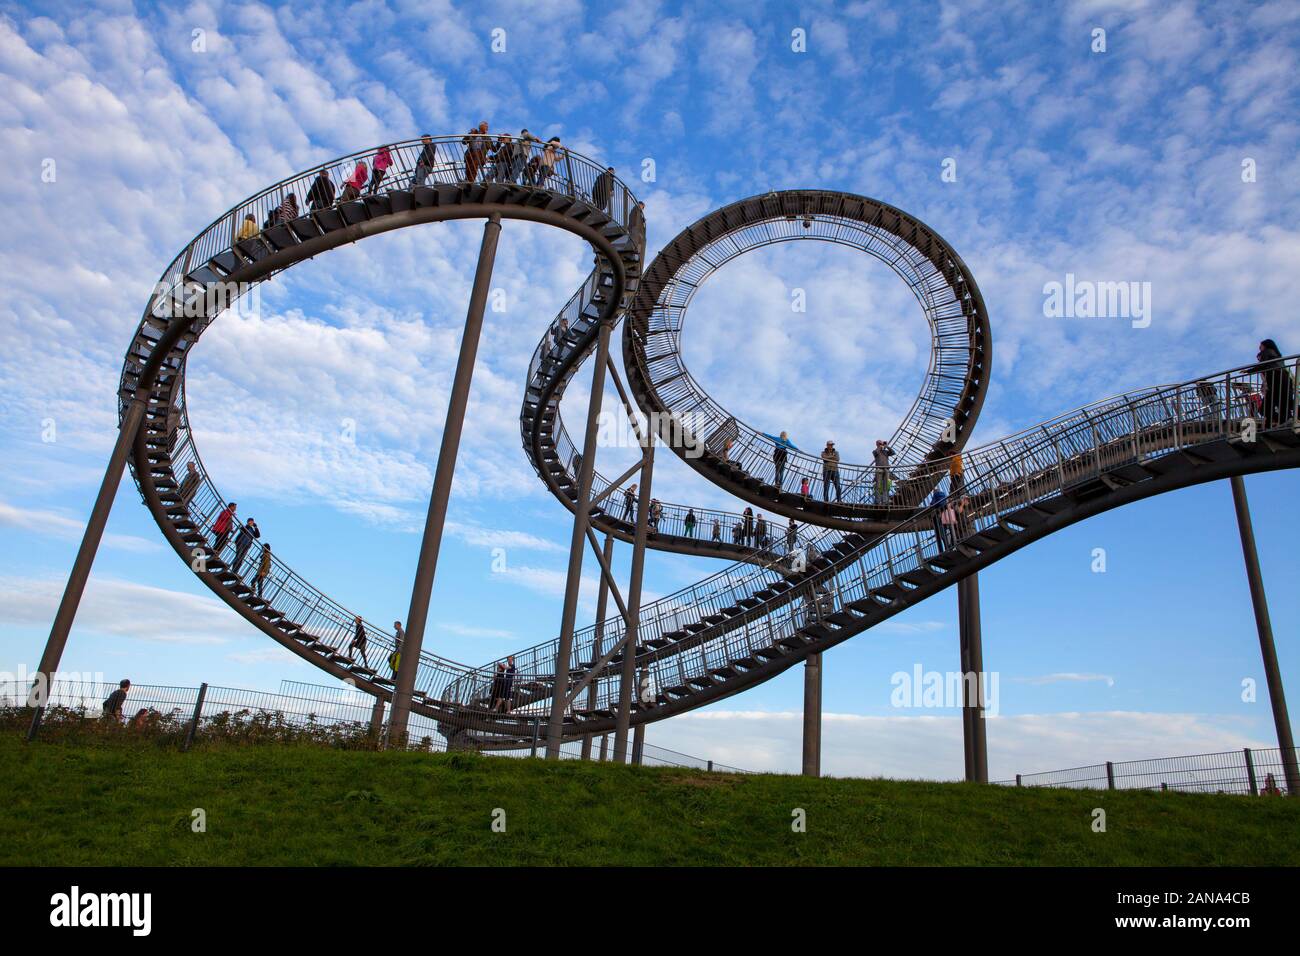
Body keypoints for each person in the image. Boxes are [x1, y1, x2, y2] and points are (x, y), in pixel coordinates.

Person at [1256, 338, 1296, 428]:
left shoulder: (1267, 352)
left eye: (1260, 346)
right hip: (1282, 381)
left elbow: (1262, 367)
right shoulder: (1277, 356)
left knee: (1269, 406)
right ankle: (1282, 421)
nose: (1259, 347)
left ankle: (1278, 422)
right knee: (1280, 404)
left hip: (1278, 381)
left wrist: (1249, 371)